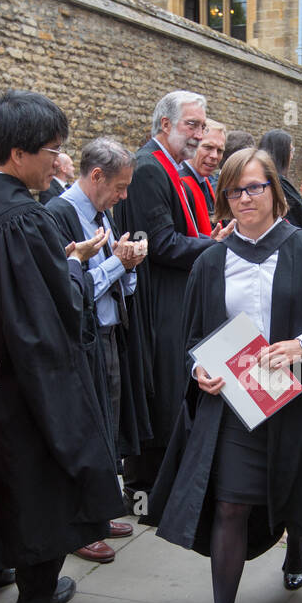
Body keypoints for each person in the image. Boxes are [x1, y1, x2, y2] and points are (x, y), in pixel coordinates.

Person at [145, 148, 302, 603]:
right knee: (230, 505)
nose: (245, 198)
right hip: (236, 402)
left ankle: (295, 545)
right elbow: (194, 336)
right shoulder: (210, 262)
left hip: (297, 395)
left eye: (255, 187)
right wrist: (197, 367)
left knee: (290, 482)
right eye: (235, 190)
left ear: (276, 191)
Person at [0, 90, 125, 603]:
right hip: (28, 378)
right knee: (35, 469)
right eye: (52, 149)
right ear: (19, 154)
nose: (59, 161)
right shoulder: (26, 217)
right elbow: (56, 309)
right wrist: (72, 265)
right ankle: (38, 590)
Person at [114, 91, 235, 506]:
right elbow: (160, 243)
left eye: (203, 126)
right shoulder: (149, 168)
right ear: (164, 125)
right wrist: (212, 246)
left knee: (171, 385)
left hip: (171, 292)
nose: (199, 135)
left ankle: (163, 483)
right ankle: (147, 489)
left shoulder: (167, 167)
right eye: (192, 126)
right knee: (162, 386)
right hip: (157, 296)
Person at [45, 136, 148, 560]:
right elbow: (72, 289)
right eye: (120, 186)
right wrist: (116, 264)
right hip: (79, 340)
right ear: (96, 176)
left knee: (107, 427)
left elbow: (114, 282)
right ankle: (79, 525)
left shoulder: (103, 211)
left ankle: (100, 512)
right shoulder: (58, 214)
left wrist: (128, 265)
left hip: (107, 332)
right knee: (85, 430)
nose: (124, 196)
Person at [258, 129, 302, 230]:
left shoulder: (257, 179)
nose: (292, 157)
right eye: (291, 151)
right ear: (282, 154)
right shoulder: (278, 182)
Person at [182, 120, 225, 217]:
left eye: (220, 150)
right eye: (208, 147)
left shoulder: (205, 182)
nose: (214, 156)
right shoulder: (179, 185)